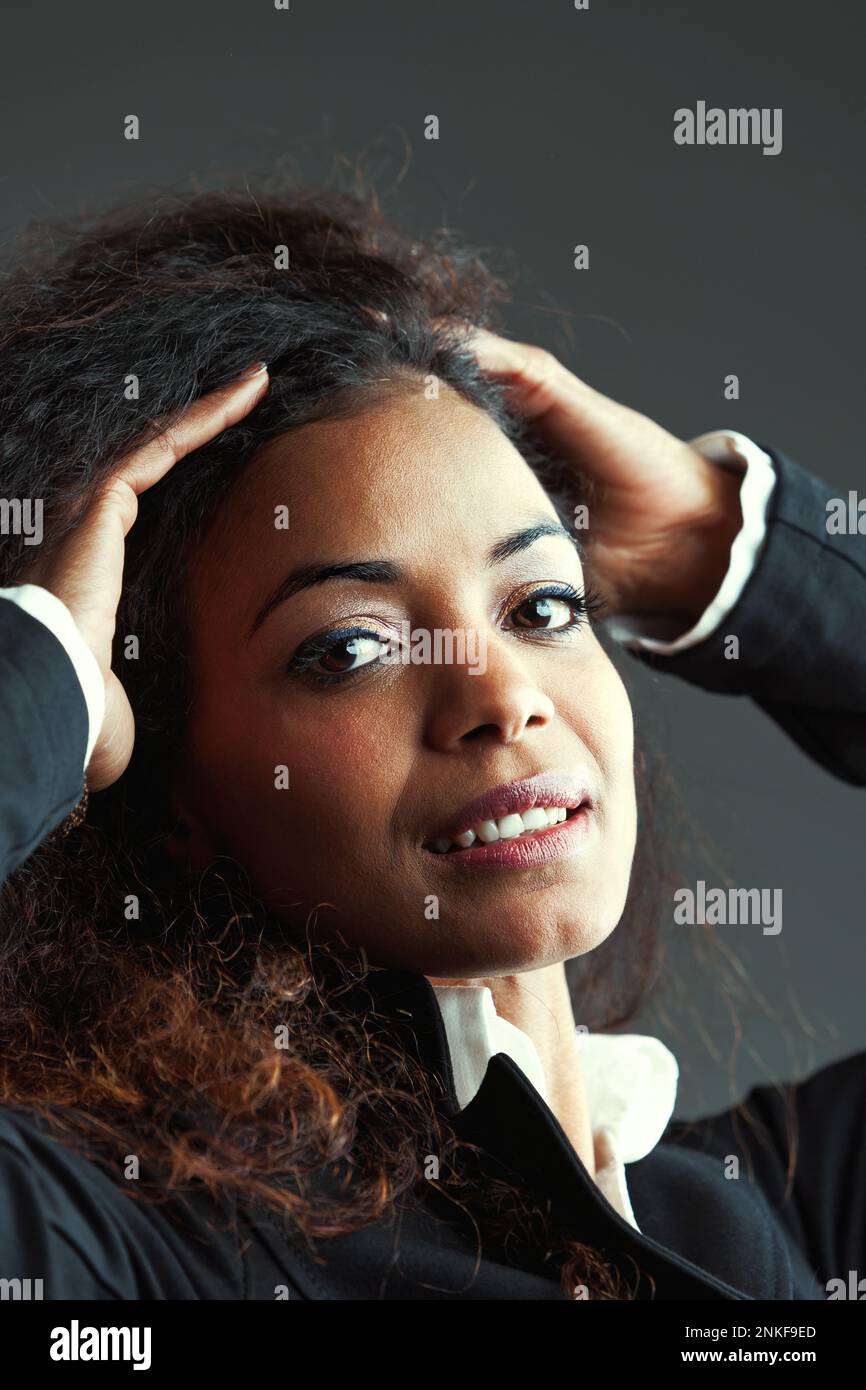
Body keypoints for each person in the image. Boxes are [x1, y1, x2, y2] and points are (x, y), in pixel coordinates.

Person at [0, 185, 863, 1300]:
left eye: (543, 606)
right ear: (176, 800)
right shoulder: (110, 1249)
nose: (500, 698)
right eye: (349, 650)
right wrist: (42, 680)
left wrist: (723, 549)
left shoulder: (777, 1218)